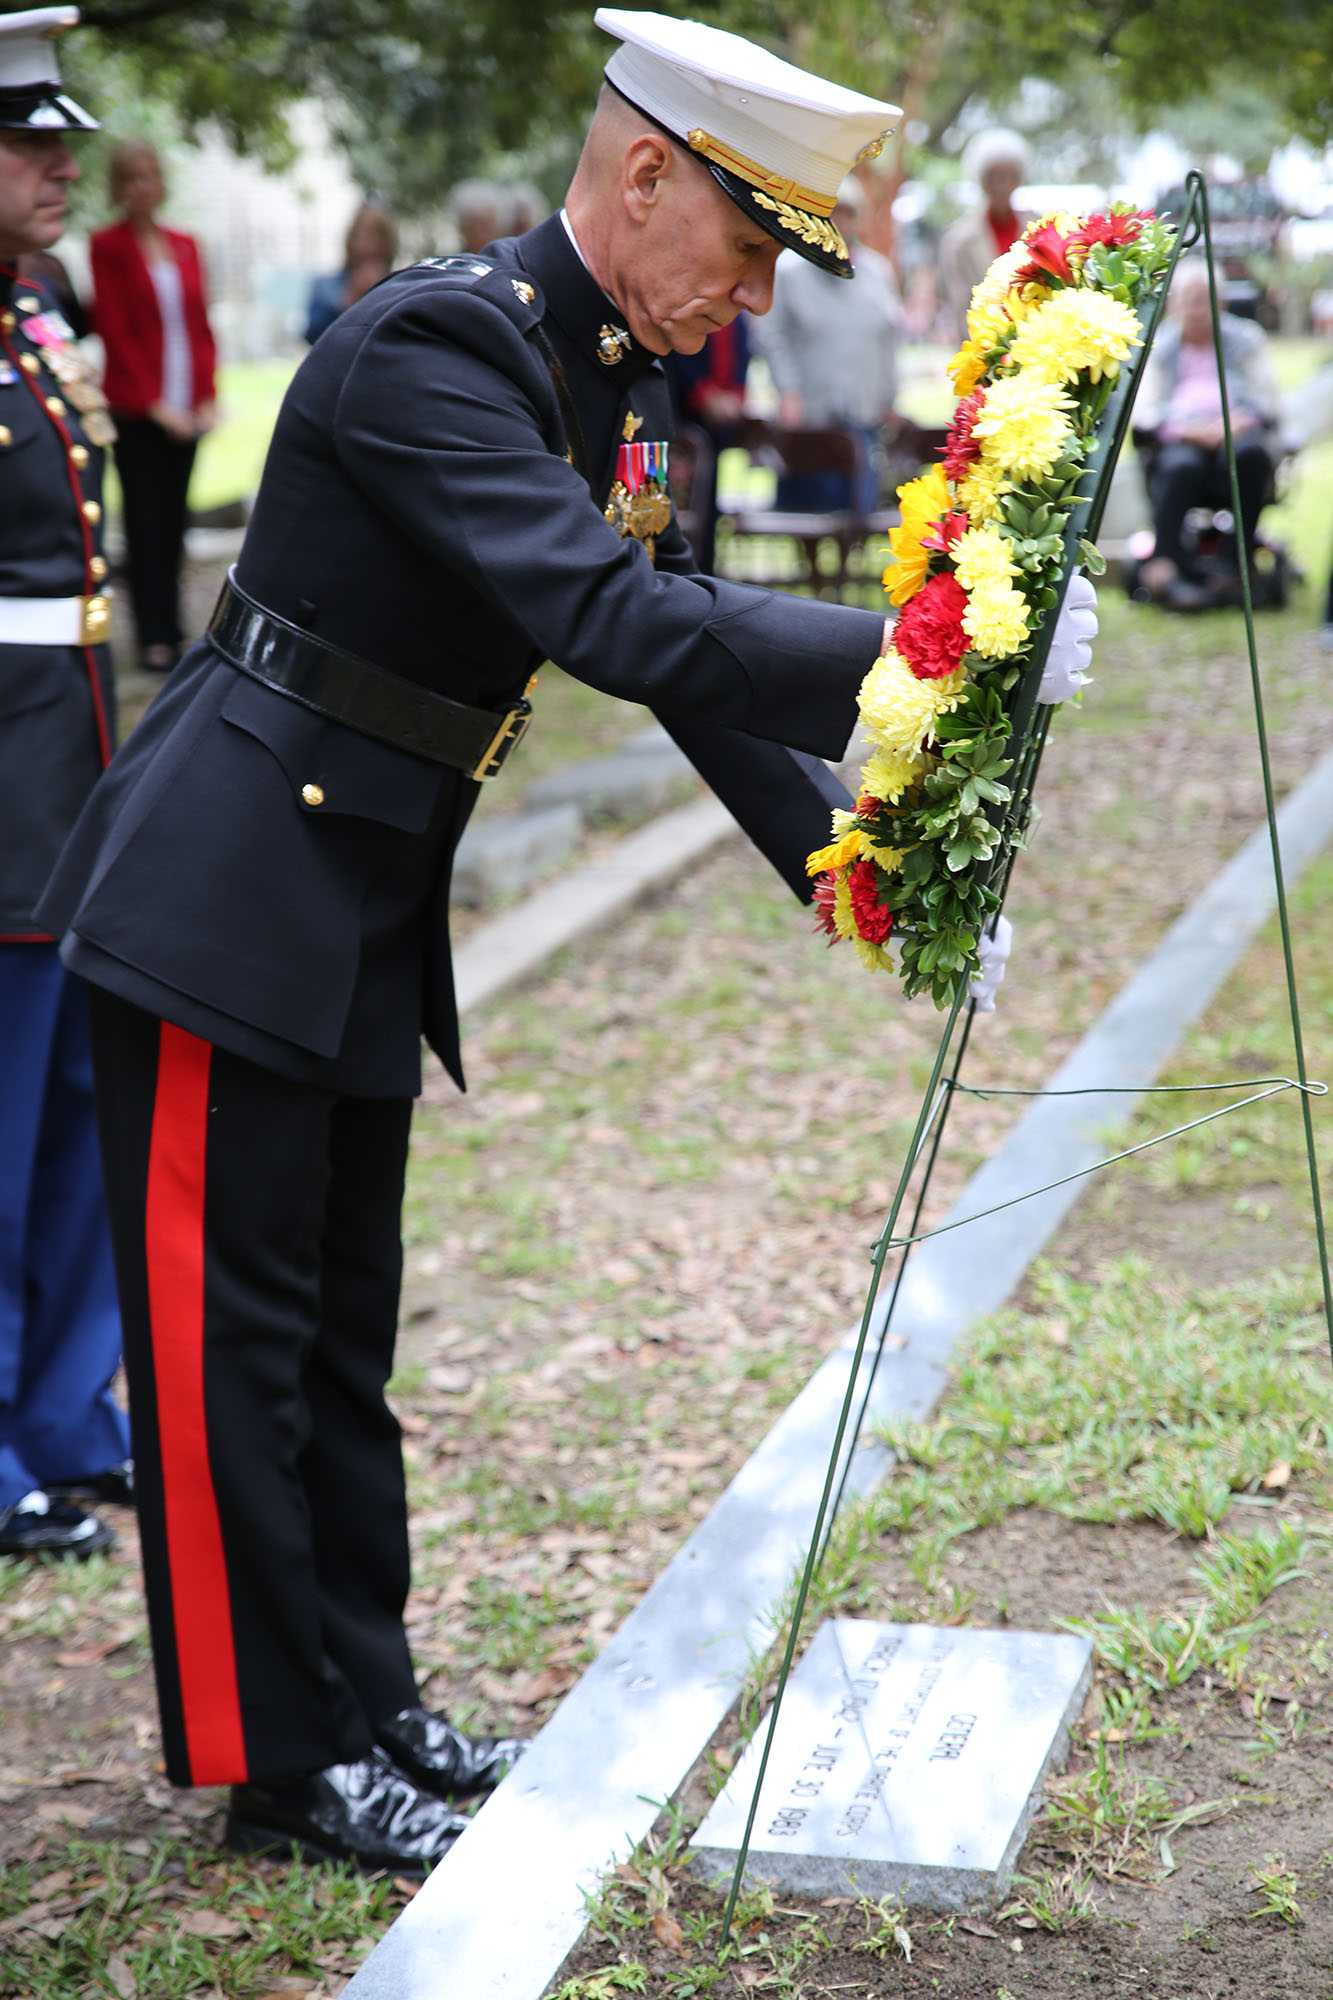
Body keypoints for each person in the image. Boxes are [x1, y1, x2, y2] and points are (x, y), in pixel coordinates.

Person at [40, 5, 1095, 1875]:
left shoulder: (600, 378)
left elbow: (675, 643)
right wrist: (928, 649)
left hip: (351, 891)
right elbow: (607, 620)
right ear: (640, 177)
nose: (757, 296)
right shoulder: (437, 347)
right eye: (751, 242)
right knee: (228, 1356)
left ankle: (371, 1706)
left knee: (335, 1339)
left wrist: (857, 871)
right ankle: (277, 1761)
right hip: (226, 895)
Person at [0, 6, 129, 1561]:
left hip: (70, 755)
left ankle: (60, 1415)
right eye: (28, 148)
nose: (58, 171)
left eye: (60, 145)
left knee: (78, 1106)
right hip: (5, 781)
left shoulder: (31, 320)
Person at [89, 139, 216, 672]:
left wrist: (206, 396)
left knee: (175, 519)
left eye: (151, 173)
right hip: (140, 411)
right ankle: (152, 636)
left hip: (188, 408)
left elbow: (199, 326)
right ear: (120, 185)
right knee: (144, 523)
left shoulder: (186, 244)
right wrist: (154, 403)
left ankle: (177, 626)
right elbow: (116, 330)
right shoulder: (107, 246)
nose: (144, 184)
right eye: (133, 176)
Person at [1135, 258, 1281, 610]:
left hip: (1236, 434)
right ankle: (1172, 567)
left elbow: (1269, 401)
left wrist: (1237, 422)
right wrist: (1188, 430)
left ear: (1222, 304)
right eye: (1190, 300)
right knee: (1180, 466)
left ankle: (1234, 564)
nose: (1198, 310)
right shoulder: (1161, 346)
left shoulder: (1246, 341)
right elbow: (1146, 412)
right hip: (1182, 439)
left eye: (1207, 300)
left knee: (1251, 456)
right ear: (1175, 304)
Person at [753, 174, 900, 514]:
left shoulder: (877, 273)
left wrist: (890, 396)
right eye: (831, 214)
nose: (839, 223)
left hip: (864, 418)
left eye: (847, 214)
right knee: (808, 513)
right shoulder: (789, 271)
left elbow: (889, 338)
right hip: (811, 420)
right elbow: (772, 338)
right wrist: (788, 390)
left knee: (858, 514)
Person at [663, 314, 749, 571]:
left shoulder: (736, 313)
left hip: (717, 425)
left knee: (707, 507)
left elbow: (742, 352)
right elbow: (679, 355)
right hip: (683, 417)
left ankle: (703, 571)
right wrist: (704, 394)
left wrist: (735, 396)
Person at [937, 128, 1032, 345]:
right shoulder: (958, 241)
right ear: (982, 180)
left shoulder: (1037, 229)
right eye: (995, 177)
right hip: (986, 348)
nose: (1003, 185)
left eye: (1010, 176)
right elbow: (960, 304)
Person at [304, 201, 399, 345]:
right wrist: (348, 300)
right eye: (361, 233)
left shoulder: (399, 286)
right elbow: (312, 334)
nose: (368, 244)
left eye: (377, 235)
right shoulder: (326, 286)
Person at [451, 179, 506, 255]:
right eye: (473, 229)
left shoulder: (507, 263)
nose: (481, 237)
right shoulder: (453, 264)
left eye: (486, 229)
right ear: (462, 229)